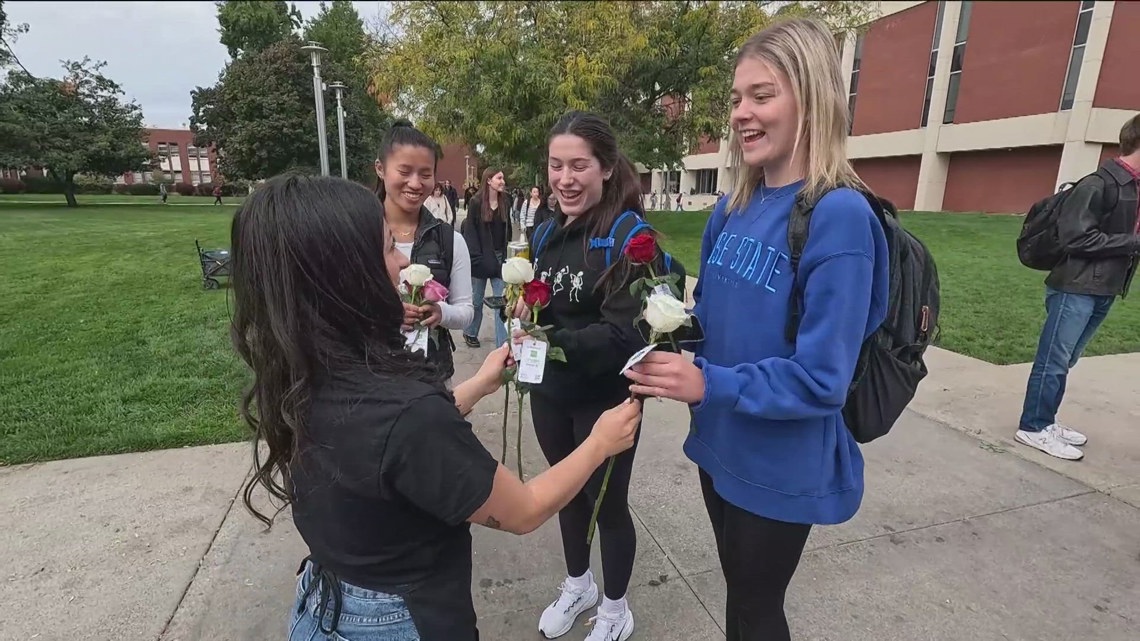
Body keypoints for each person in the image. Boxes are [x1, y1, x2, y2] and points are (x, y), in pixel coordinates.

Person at [228, 174, 643, 641]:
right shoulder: (410, 413)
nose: (404, 263)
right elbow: (523, 510)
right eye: (389, 248)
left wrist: (478, 386)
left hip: (324, 601)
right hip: (399, 623)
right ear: (348, 276)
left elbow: (385, 443)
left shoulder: (307, 375)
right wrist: (599, 443)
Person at [623, 18, 890, 641]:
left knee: (757, 608)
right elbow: (712, 323)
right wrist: (658, 327)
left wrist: (707, 383)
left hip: (778, 463)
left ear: (811, 99)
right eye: (737, 98)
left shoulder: (839, 216)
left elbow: (823, 379)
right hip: (719, 442)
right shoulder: (732, 207)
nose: (741, 113)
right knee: (740, 601)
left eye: (762, 95)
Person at [513, 111, 660, 641]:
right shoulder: (545, 231)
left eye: (579, 165)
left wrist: (549, 340)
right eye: (556, 166)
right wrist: (522, 315)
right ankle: (579, 584)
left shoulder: (629, 237)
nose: (565, 178)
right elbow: (540, 302)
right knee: (566, 493)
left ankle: (616, 609)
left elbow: (623, 334)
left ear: (606, 168)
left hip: (606, 401)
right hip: (552, 393)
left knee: (607, 503)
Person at [1015, 113, 1140, 461]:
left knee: (1066, 359)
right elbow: (1076, 238)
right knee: (1053, 360)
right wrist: (1134, 243)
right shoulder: (1098, 184)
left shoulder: (1131, 186)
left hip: (1103, 288)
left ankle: (1046, 420)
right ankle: (1033, 427)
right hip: (1075, 286)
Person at [373, 120, 472, 383]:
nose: (415, 183)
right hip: (373, 376)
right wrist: (386, 314)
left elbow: (465, 311)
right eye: (404, 171)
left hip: (433, 377)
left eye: (426, 174)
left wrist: (440, 312)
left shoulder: (450, 240)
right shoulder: (359, 233)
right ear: (380, 169)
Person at [460, 167, 511, 349]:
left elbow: (507, 230)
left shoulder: (505, 201)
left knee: (502, 302)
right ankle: (470, 331)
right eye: (499, 178)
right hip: (480, 258)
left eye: (503, 178)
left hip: (499, 258)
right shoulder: (476, 202)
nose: (502, 181)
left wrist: (507, 255)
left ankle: (502, 344)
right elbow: (471, 232)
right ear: (489, 180)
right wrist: (475, 258)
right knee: (476, 300)